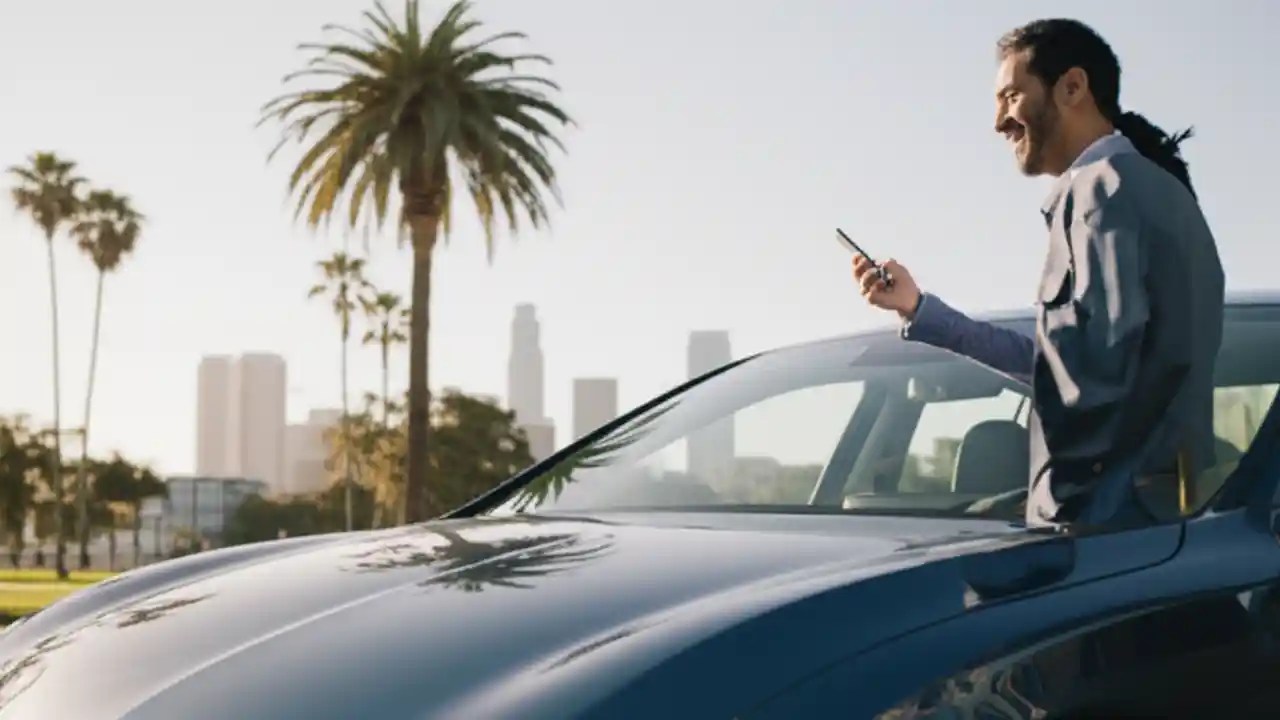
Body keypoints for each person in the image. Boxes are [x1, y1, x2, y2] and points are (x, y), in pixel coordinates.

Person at [852, 18, 1225, 527]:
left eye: (1010, 96)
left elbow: (1087, 386)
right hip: (1147, 528)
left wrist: (1058, 508)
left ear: (1072, 87)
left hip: (1100, 534)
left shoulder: (1100, 191)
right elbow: (1072, 367)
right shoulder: (1158, 194)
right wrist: (921, 311)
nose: (998, 121)